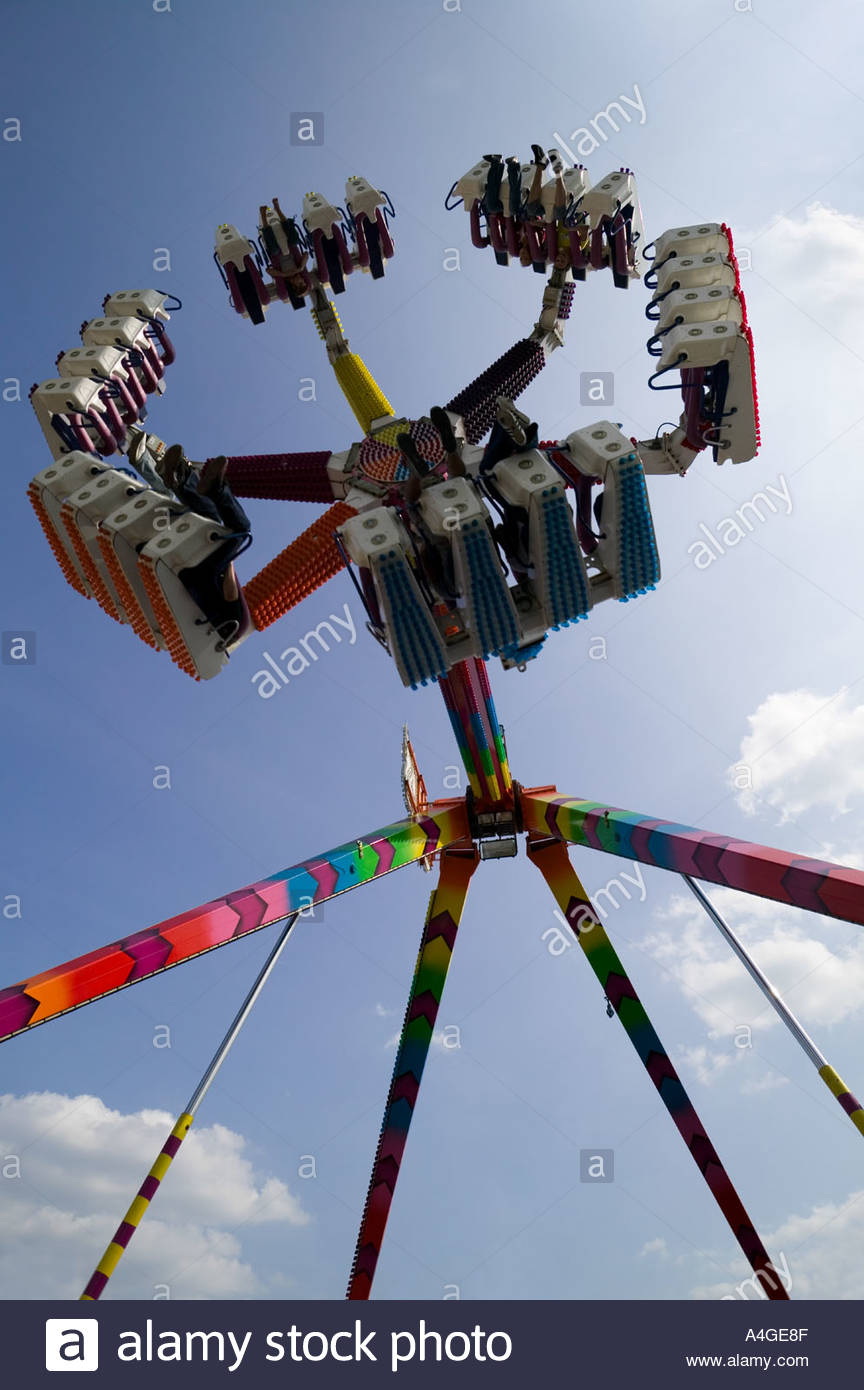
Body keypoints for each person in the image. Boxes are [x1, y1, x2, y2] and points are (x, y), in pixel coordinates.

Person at [157, 444, 253, 645]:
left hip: (204, 569)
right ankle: (179, 479)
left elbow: (229, 592)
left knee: (242, 531)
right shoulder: (202, 619)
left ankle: (212, 487)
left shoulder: (236, 623)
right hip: (185, 570)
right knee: (209, 519)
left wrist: (230, 562)